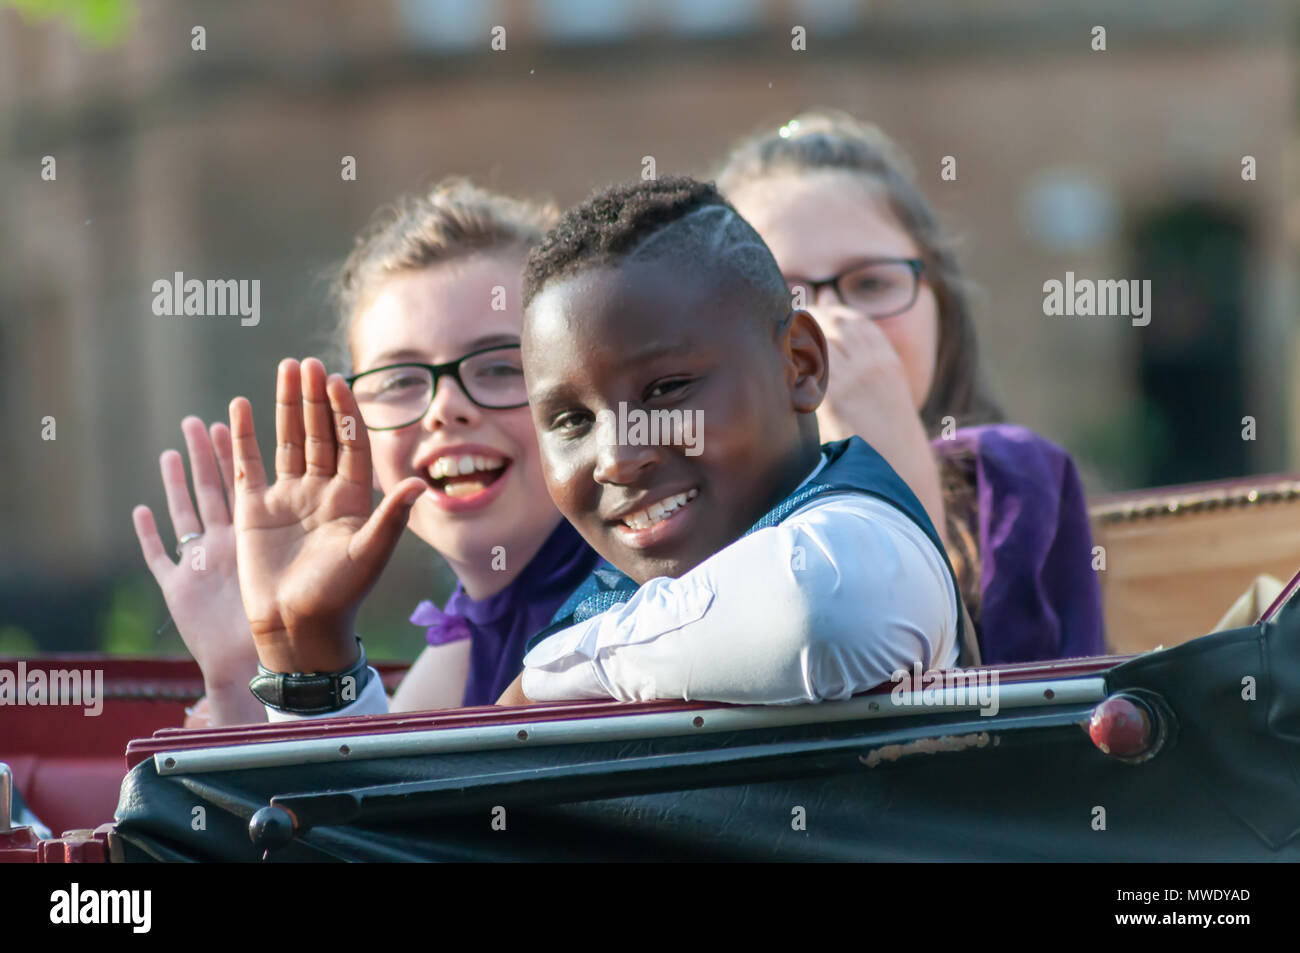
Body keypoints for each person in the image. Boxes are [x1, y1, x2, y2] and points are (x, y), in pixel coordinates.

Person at [132, 180, 599, 724]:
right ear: (356, 429)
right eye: (401, 381)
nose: (444, 408)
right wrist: (252, 661)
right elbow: (327, 798)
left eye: (498, 367)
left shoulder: (629, 607)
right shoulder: (459, 646)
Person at [493, 176, 969, 706]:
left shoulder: (868, 537)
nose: (618, 460)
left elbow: (818, 615)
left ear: (800, 366)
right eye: (572, 420)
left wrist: (555, 673)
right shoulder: (607, 599)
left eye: (666, 390)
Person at [715, 111, 1104, 663]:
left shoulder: (1015, 492)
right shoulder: (686, 512)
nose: (830, 326)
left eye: (871, 283)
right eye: (786, 294)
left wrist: (893, 467)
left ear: (939, 304)